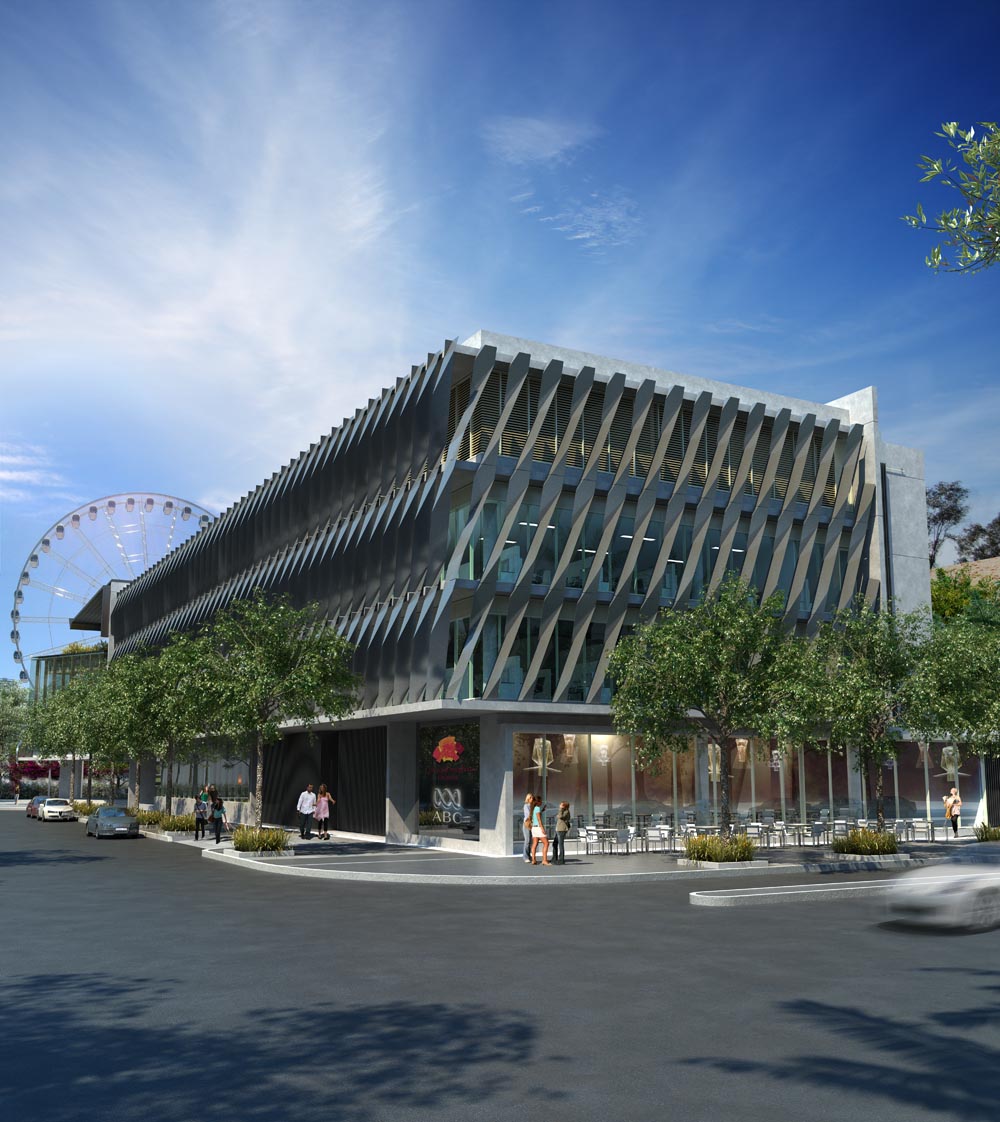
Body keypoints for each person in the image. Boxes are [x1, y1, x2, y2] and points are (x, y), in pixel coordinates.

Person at [529, 794, 551, 866]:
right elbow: (539, 819)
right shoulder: (537, 808)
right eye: (541, 801)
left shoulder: (533, 808)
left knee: (534, 844)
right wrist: (542, 828)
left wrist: (542, 811)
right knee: (546, 843)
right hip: (538, 827)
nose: (541, 802)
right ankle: (544, 860)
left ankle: (533, 860)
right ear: (538, 802)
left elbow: (535, 816)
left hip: (533, 828)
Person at [522, 793, 534, 863]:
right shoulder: (526, 806)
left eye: (532, 798)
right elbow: (528, 815)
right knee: (527, 841)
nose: (532, 799)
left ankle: (529, 856)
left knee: (530, 841)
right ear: (528, 799)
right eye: (531, 798)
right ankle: (525, 857)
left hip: (531, 825)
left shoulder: (532, 806)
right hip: (527, 824)